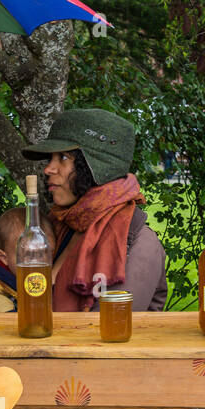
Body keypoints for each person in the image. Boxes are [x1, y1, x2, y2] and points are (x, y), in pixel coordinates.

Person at [21, 108, 167, 311]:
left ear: (94, 166)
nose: (49, 169)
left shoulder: (138, 243)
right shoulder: (61, 225)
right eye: (50, 158)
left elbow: (113, 327)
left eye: (63, 157)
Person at [0, 205, 56, 312]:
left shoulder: (17, 273)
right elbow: (7, 323)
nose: (40, 262)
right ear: (4, 257)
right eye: (29, 256)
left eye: (48, 253)